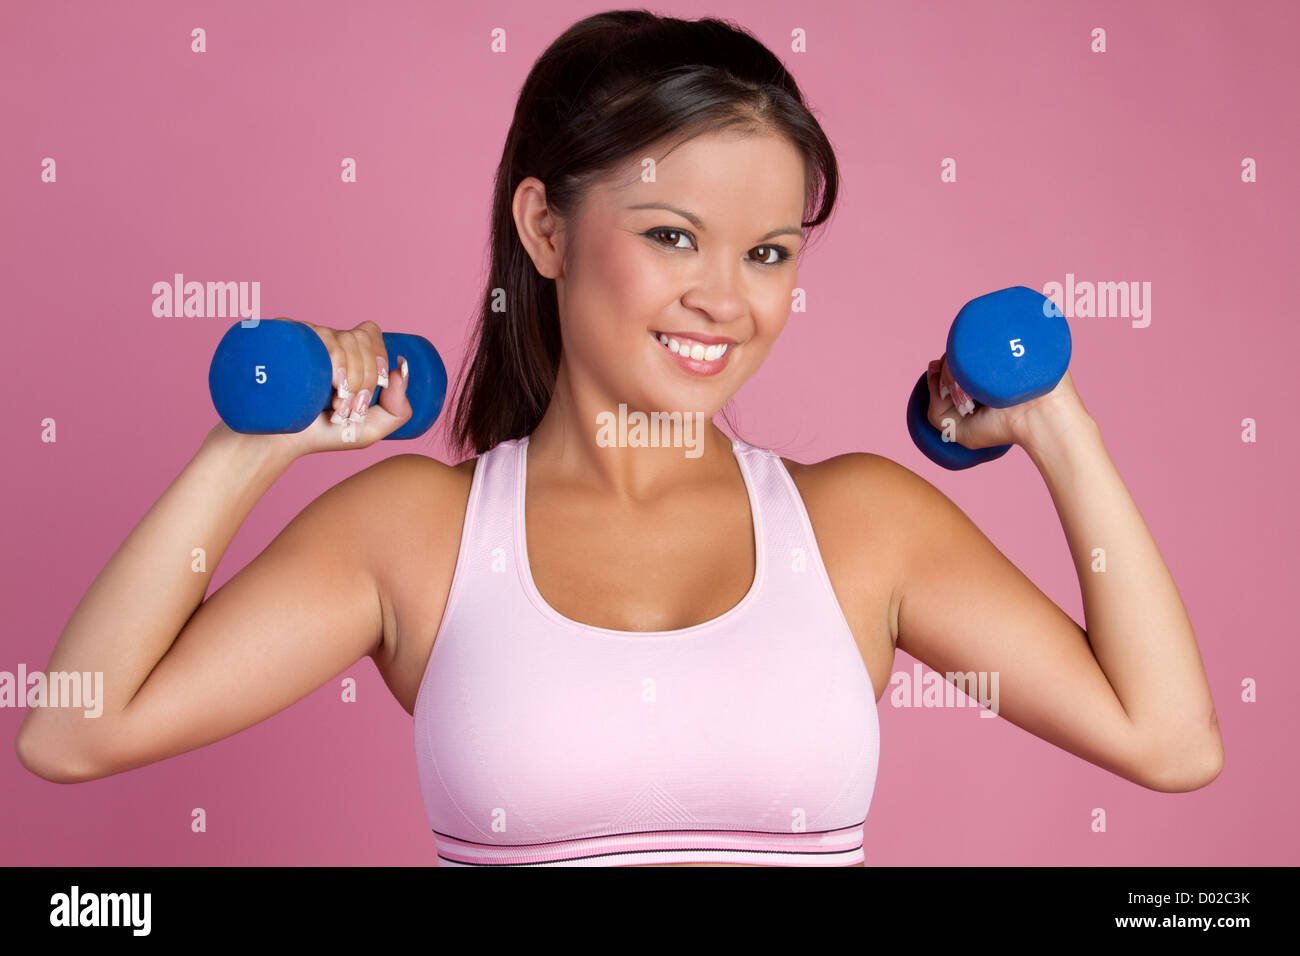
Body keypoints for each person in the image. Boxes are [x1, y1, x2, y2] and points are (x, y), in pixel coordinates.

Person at [15, 10, 1223, 867]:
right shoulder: (417, 534)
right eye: (670, 234)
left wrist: (1054, 424)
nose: (725, 297)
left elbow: (1167, 741)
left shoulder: (861, 524)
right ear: (543, 226)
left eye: (767, 253)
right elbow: (75, 728)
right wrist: (257, 442)